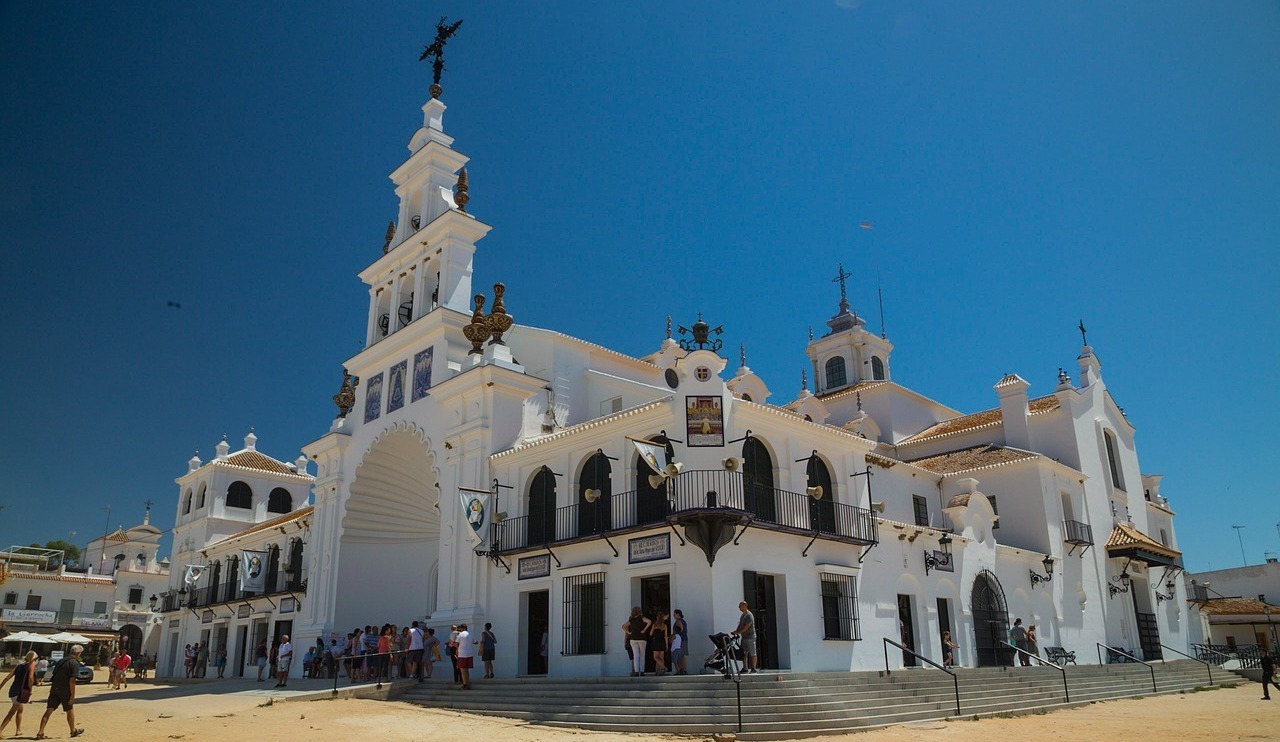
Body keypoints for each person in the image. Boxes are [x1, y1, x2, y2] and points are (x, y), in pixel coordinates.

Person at [37, 643, 85, 739]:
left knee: (49, 710)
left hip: (55, 688)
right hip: (65, 690)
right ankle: (72, 730)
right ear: (78, 653)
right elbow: (72, 681)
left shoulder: (61, 661)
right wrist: (72, 695)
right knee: (69, 710)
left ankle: (40, 732)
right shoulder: (74, 663)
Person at [0, 650, 37, 738]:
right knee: (12, 712)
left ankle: (18, 730)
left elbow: (7, 677)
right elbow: (31, 678)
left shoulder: (19, 665)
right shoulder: (31, 665)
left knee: (20, 709)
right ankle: (0, 730)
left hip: (13, 690)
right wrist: (30, 689)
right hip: (20, 691)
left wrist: (0, 687)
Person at [625, 606, 652, 677]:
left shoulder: (631, 620)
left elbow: (623, 626)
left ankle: (636, 671)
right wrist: (644, 629)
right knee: (642, 655)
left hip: (633, 638)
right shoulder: (642, 618)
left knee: (635, 655)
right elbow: (649, 622)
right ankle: (642, 671)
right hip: (642, 638)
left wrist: (628, 632)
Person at [732, 601, 758, 673]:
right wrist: (736, 631)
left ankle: (753, 668)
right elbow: (740, 624)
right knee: (743, 653)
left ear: (745, 605)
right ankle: (745, 668)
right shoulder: (743, 615)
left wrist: (739, 632)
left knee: (752, 652)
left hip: (750, 637)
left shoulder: (749, 615)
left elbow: (747, 626)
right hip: (744, 637)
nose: (739, 607)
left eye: (740, 606)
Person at [455, 624, 476, 690]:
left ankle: (465, 684)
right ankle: (467, 683)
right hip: (469, 653)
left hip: (462, 654)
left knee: (463, 670)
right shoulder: (471, 634)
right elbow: (475, 642)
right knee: (466, 670)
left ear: (461, 628)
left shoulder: (460, 635)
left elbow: (456, 644)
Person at [649, 611, 670, 676]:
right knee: (661, 658)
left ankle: (663, 667)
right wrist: (667, 645)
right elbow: (666, 636)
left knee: (655, 657)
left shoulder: (654, 625)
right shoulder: (665, 626)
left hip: (656, 642)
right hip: (662, 642)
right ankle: (659, 672)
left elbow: (650, 634)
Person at [671, 609, 689, 675]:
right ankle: (683, 670)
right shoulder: (683, 621)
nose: (673, 615)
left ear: (678, 614)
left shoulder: (678, 621)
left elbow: (681, 628)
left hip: (682, 640)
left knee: (681, 655)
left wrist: (676, 635)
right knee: (682, 655)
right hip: (684, 639)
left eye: (674, 614)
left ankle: (682, 670)